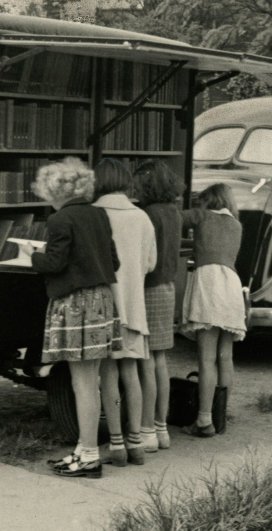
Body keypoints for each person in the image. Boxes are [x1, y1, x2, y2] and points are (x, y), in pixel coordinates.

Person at [26, 157, 122, 478]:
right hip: (101, 301)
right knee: (88, 382)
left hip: (76, 304)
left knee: (82, 384)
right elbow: (113, 261)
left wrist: (33, 257)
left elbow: (54, 263)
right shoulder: (99, 215)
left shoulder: (60, 219)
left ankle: (90, 456)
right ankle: (83, 449)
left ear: (55, 190)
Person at [92, 159, 157, 466]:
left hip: (105, 307)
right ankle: (136, 442)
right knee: (131, 373)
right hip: (134, 306)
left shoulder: (94, 215)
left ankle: (115, 443)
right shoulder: (142, 217)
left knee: (108, 374)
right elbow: (150, 264)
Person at [179, 182, 246, 437]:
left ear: (209, 201)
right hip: (231, 285)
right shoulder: (236, 225)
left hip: (209, 283)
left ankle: (204, 420)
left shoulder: (202, 216)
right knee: (225, 356)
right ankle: (221, 415)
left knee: (206, 359)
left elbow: (176, 218)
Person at [134, 159, 184, 451]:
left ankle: (147, 430)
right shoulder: (173, 212)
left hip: (149, 287)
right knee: (161, 361)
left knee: (146, 363)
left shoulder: (149, 214)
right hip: (167, 287)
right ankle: (161, 428)